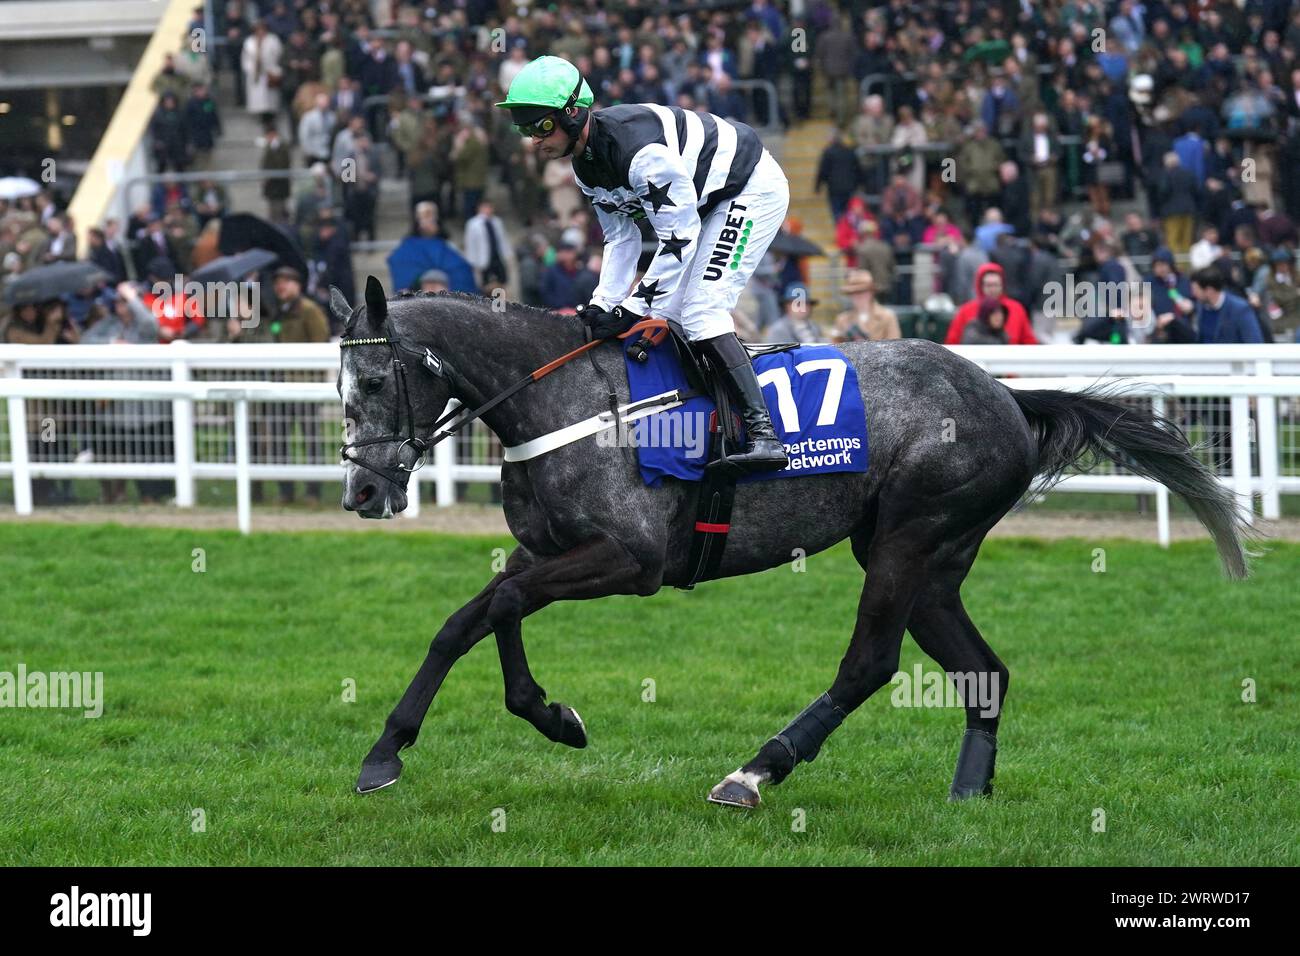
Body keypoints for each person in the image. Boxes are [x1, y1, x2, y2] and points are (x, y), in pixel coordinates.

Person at [497, 56, 791, 471]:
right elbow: (621, 237)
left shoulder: (641, 155)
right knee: (666, 315)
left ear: (571, 114)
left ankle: (765, 435)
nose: (533, 139)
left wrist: (631, 306)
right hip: (708, 204)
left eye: (540, 126)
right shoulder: (586, 165)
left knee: (702, 311)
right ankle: (709, 426)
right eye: (525, 129)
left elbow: (679, 237)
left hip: (749, 190)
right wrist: (604, 303)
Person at [944, 262, 1038, 345]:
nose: (992, 289)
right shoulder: (966, 310)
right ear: (980, 286)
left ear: (1002, 285)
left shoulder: (1016, 309)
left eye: (996, 285)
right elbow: (952, 342)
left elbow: (1029, 341)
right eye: (989, 285)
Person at [1190, 266, 1265, 343]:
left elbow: (1254, 343)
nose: (1193, 293)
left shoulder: (1240, 309)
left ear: (1209, 291)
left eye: (1196, 290)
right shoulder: (1201, 307)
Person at [833, 270, 900, 342]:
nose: (858, 296)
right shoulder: (842, 319)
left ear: (871, 292)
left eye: (862, 291)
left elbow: (895, 347)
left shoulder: (888, 316)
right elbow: (836, 347)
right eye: (853, 292)